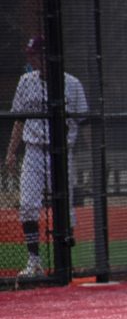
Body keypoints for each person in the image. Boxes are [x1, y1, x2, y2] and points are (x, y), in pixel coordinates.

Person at [4, 35, 88, 278]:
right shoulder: (25, 82)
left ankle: (67, 262)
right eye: (30, 54)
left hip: (62, 152)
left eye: (36, 54)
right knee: (29, 206)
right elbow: (18, 120)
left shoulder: (71, 83)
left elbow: (84, 121)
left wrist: (90, 153)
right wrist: (11, 152)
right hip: (33, 151)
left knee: (65, 207)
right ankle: (34, 261)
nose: (32, 59)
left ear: (47, 55)